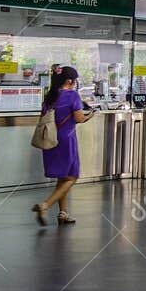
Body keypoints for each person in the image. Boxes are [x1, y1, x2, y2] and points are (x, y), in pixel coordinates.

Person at [33, 66, 93, 226]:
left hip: (51, 139)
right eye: (75, 80)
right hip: (67, 140)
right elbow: (79, 119)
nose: (75, 83)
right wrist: (91, 115)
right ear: (69, 81)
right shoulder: (72, 95)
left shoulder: (49, 97)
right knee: (72, 176)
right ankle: (45, 205)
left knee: (62, 177)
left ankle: (63, 213)